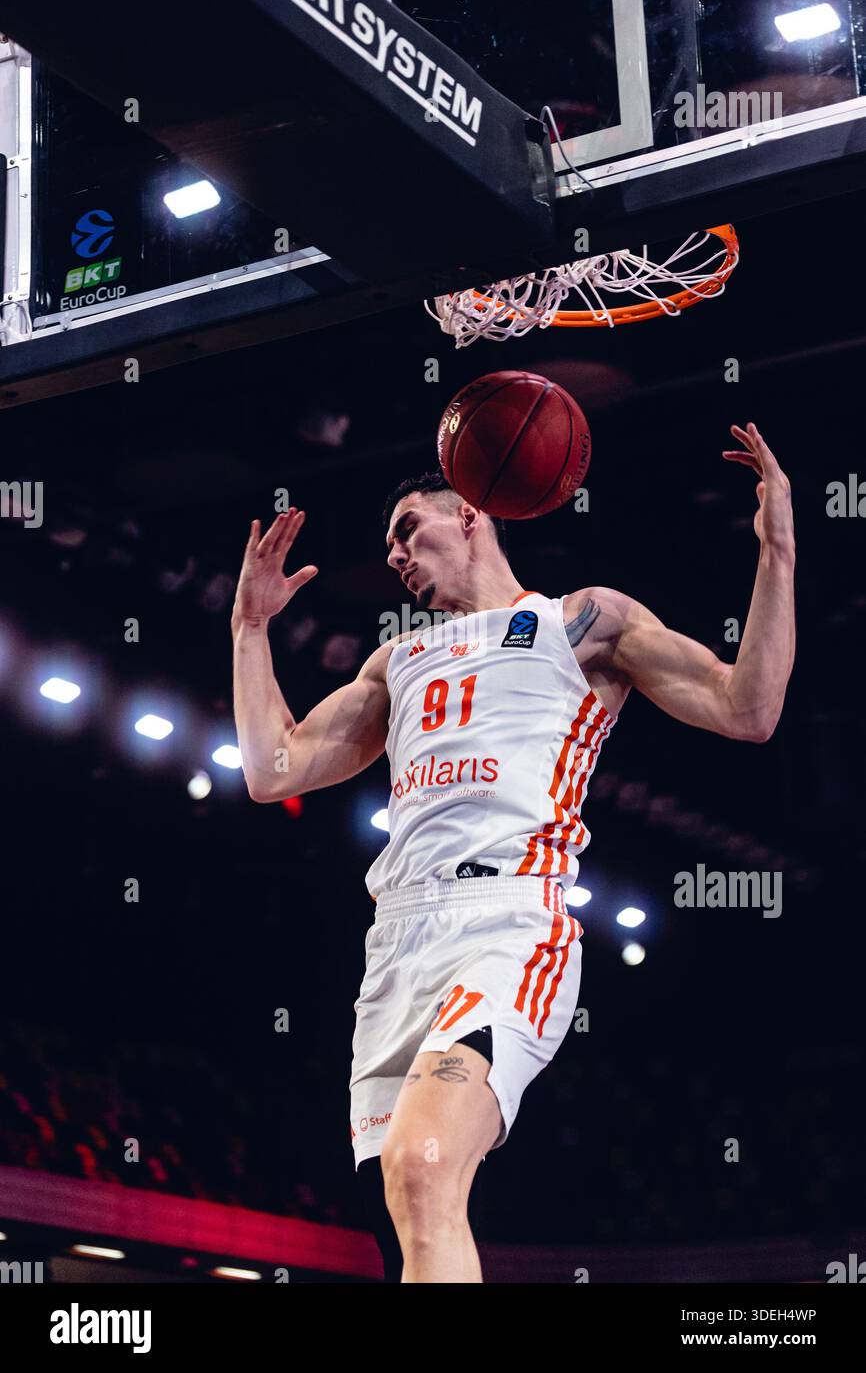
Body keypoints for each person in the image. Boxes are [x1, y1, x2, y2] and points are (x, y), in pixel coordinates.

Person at [231, 420, 795, 1283]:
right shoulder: (396, 660)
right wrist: (249, 630)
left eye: (407, 528)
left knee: (422, 1168)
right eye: (387, 542)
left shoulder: (583, 622)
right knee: (404, 1216)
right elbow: (274, 771)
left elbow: (746, 709)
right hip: (396, 943)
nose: (392, 554)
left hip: (509, 921)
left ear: (470, 512)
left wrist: (778, 556)